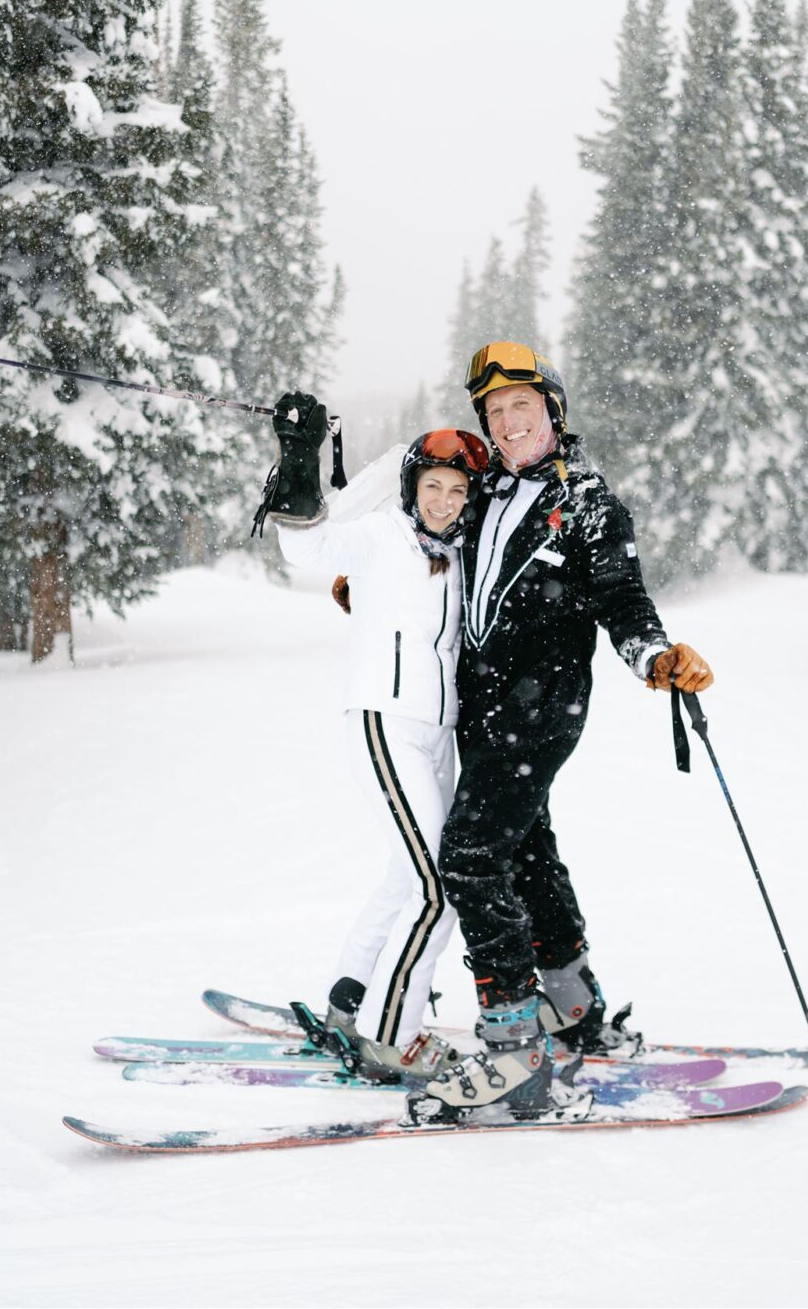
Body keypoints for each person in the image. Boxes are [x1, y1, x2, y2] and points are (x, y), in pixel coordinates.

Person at [419, 342, 714, 1117]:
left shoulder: (587, 502)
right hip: (482, 709)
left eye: (522, 405)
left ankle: (515, 1052)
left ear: (552, 411)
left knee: (471, 857)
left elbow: (623, 600)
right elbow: (439, 552)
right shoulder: (484, 489)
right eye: (495, 410)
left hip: (541, 709)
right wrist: (375, 585)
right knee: (525, 848)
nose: (508, 421)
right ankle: (574, 1008)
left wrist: (656, 657)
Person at [253, 391, 489, 1081]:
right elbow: (307, 545)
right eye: (433, 486)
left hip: (437, 735)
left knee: (406, 876)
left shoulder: (460, 554)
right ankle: (391, 1036)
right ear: (412, 486)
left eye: (456, 491)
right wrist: (301, 457)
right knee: (439, 885)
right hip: (385, 722)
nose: (444, 501)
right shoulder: (383, 535)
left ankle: (350, 1000)